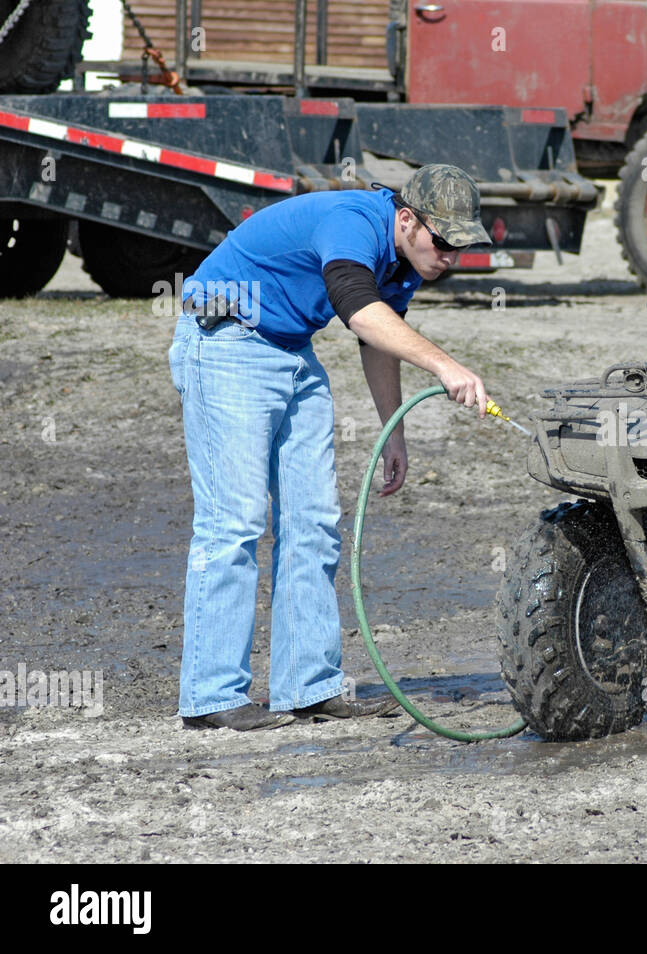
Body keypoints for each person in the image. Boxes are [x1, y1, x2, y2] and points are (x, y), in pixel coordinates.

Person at [167, 163, 492, 731]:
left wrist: (394, 431)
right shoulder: (352, 222)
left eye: (461, 247)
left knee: (315, 521)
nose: (449, 257)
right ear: (408, 219)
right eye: (443, 243)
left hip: (290, 349)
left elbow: (379, 338)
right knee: (235, 522)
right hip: (225, 343)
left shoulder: (404, 257)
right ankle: (212, 697)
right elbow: (358, 310)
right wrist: (445, 365)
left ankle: (307, 687)